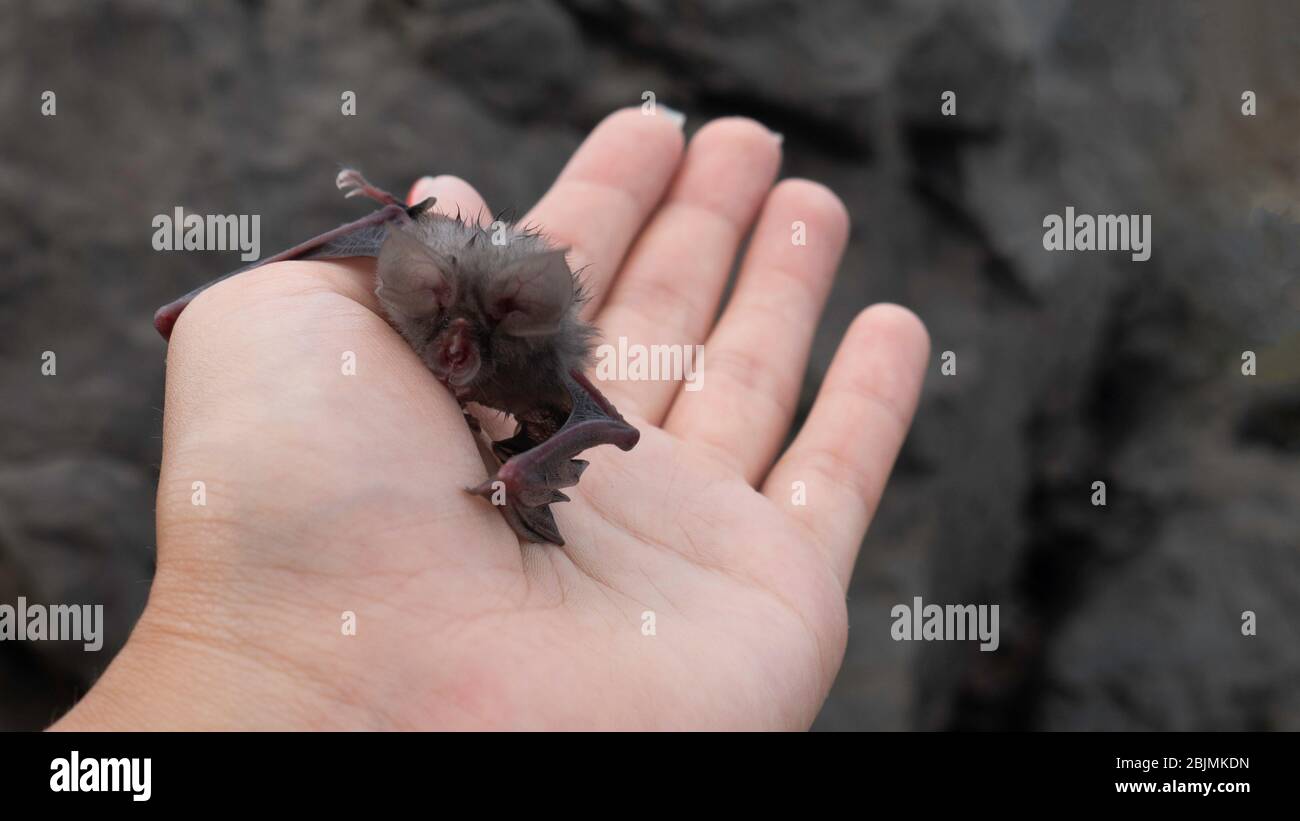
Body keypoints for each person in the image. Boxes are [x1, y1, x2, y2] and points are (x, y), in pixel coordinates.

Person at [52, 110, 928, 730]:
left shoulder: (542, 366)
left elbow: (585, 408)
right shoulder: (410, 270)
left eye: (470, 346)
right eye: (448, 340)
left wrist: (518, 474)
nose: (454, 357)